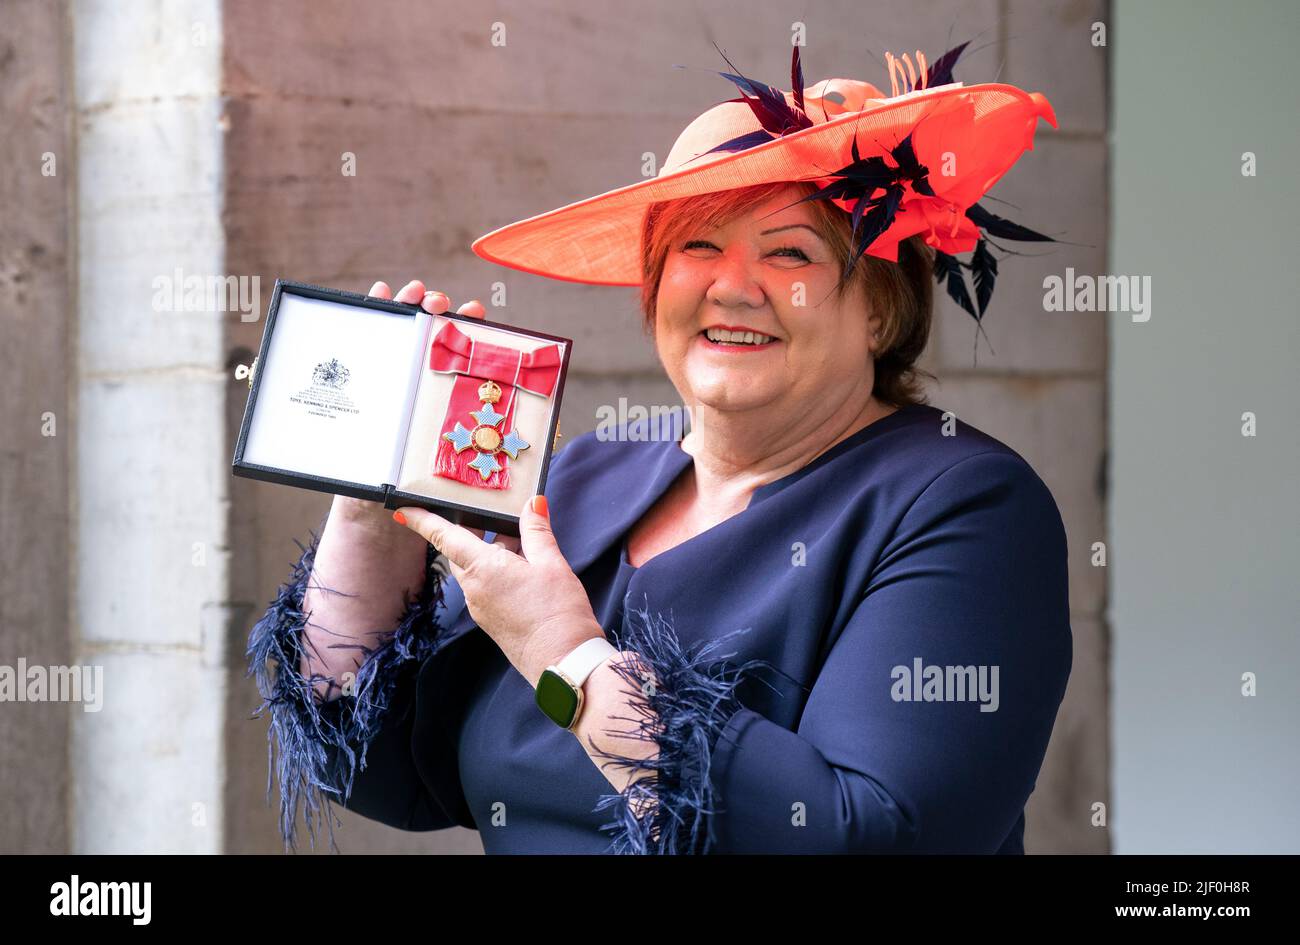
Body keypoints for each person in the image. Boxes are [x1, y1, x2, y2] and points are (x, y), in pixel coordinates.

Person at [247, 40, 1072, 854]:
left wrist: (568, 657)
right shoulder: (581, 480)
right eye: (698, 245)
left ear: (881, 313)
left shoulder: (967, 504)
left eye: (790, 253)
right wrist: (367, 507)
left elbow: (870, 834)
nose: (732, 285)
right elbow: (385, 769)